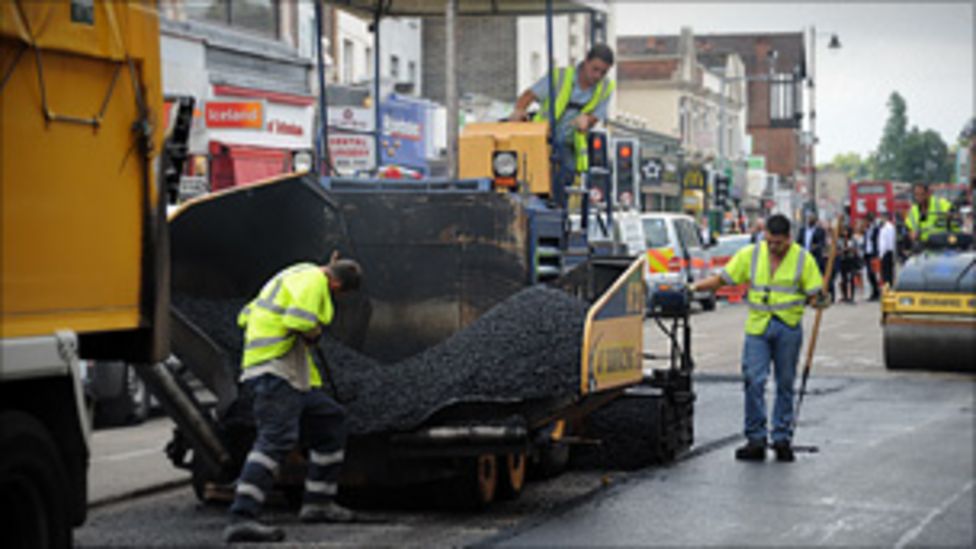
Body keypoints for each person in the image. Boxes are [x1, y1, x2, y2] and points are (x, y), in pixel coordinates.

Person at [223, 255, 363, 543]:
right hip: (275, 372)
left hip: (290, 374)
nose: (333, 297)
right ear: (335, 282)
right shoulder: (313, 280)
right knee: (276, 439)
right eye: (337, 293)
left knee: (331, 420)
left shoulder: (292, 274)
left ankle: (318, 503)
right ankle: (242, 516)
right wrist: (314, 332)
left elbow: (245, 315)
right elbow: (297, 319)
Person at [690, 214, 825, 462]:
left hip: (788, 327)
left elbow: (815, 294)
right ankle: (756, 439)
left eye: (778, 243)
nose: (773, 247)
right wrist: (694, 288)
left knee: (785, 383)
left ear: (789, 238)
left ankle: (782, 437)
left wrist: (820, 299)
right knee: (754, 380)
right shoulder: (751, 255)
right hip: (758, 329)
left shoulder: (803, 260)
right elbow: (722, 279)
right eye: (769, 242)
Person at [509, 44, 615, 194]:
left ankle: (557, 206)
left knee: (567, 170)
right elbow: (528, 96)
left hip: (567, 143)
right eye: (595, 69)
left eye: (603, 72)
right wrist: (519, 111)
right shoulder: (559, 77)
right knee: (524, 171)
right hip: (542, 138)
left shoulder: (605, 88)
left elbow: (596, 116)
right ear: (586, 62)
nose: (597, 76)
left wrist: (587, 120)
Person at [905, 182, 954, 247]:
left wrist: (950, 216)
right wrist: (913, 235)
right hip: (924, 245)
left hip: (944, 242)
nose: (919, 197)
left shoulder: (939, 203)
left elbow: (953, 212)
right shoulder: (913, 210)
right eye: (916, 195)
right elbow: (909, 229)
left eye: (922, 194)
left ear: (928, 193)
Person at [838, 225, 860, 303]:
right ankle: (845, 296)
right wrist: (842, 250)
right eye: (844, 231)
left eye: (846, 231)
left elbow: (856, 249)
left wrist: (850, 249)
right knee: (844, 279)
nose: (845, 232)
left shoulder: (853, 240)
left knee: (851, 278)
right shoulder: (841, 240)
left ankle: (852, 297)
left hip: (851, 260)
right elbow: (838, 249)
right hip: (843, 260)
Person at [862, 214, 881, 301]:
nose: (864, 223)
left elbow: (878, 241)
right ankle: (874, 292)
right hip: (867, 253)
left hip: (873, 254)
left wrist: (878, 253)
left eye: (866, 221)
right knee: (869, 275)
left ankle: (877, 292)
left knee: (873, 274)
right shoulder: (867, 230)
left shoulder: (876, 229)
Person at [878, 214, 897, 288]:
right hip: (888, 252)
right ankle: (888, 286)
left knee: (886, 272)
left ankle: (888, 287)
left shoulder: (887, 228)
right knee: (887, 271)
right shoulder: (887, 227)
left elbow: (885, 242)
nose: (881, 220)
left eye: (882, 218)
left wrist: (881, 254)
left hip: (886, 252)